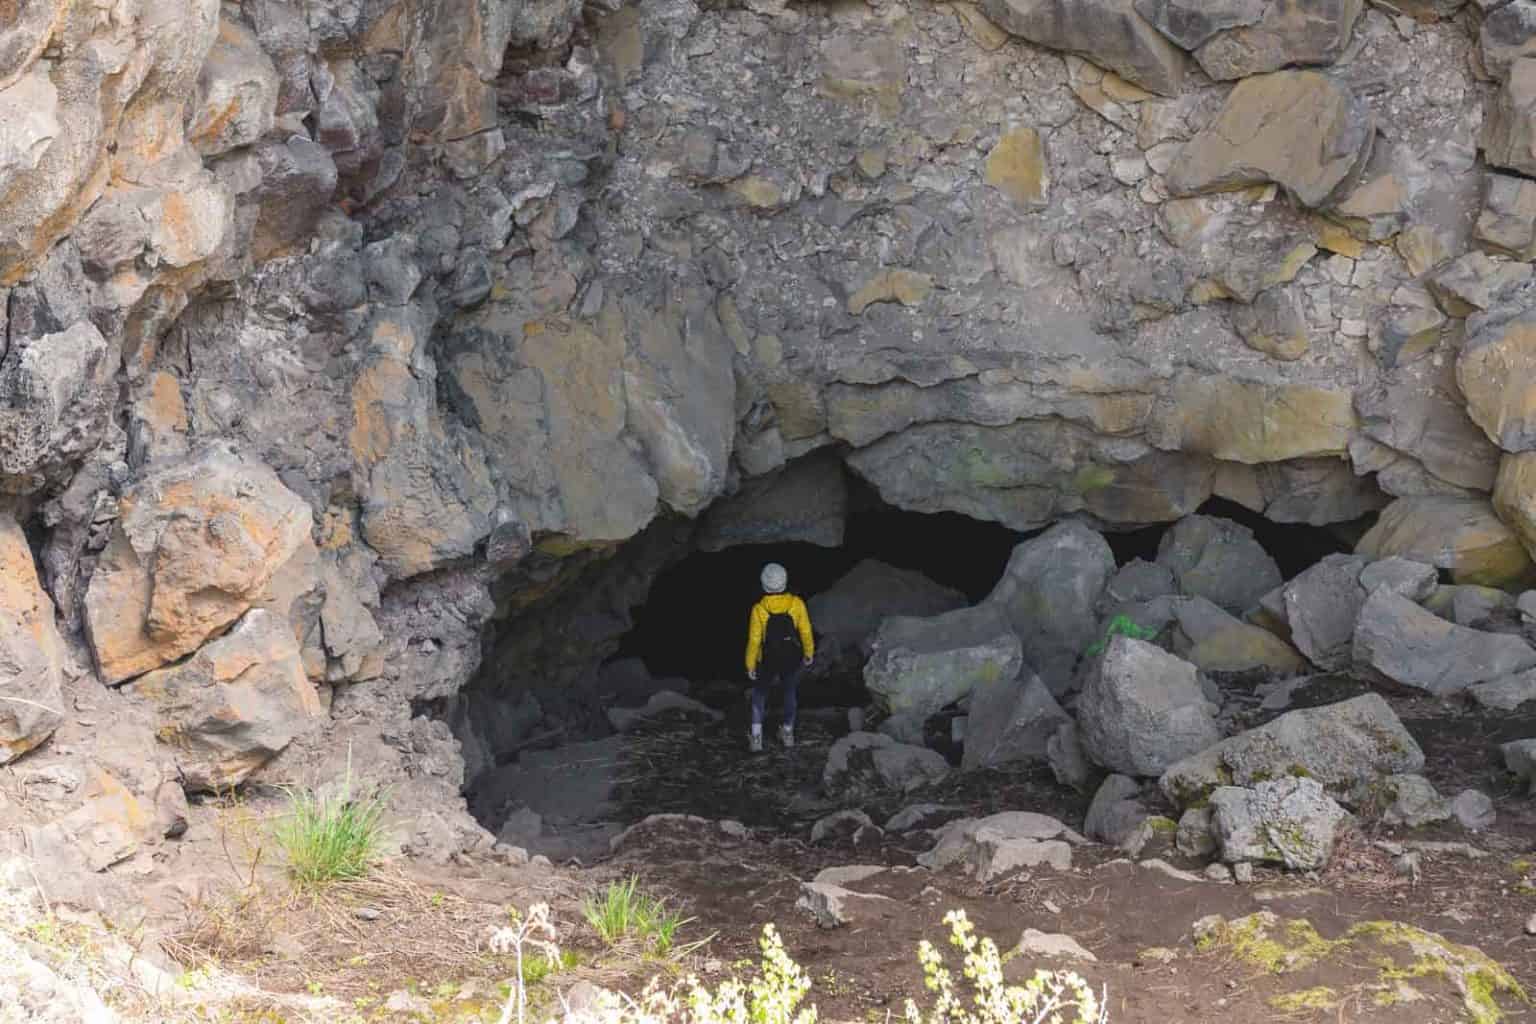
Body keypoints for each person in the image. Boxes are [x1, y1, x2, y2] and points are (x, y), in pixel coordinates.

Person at [743, 562, 814, 752]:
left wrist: (750, 665)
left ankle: (756, 738)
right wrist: (808, 653)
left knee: (760, 695)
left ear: (763, 585)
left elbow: (754, 640)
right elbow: (806, 631)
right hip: (790, 658)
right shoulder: (797, 604)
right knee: (789, 692)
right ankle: (788, 733)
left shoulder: (759, 609)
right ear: (785, 582)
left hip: (766, 660)